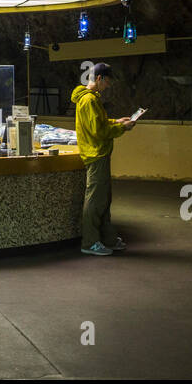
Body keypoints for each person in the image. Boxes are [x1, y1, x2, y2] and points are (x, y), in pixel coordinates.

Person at [71, 63, 136, 255]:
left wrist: (117, 121)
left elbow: (98, 123)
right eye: (107, 81)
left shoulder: (91, 98)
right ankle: (90, 243)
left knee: (104, 199)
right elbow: (98, 131)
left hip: (99, 153)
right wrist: (123, 128)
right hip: (95, 154)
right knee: (95, 200)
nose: (108, 86)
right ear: (99, 79)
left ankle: (107, 238)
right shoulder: (89, 100)